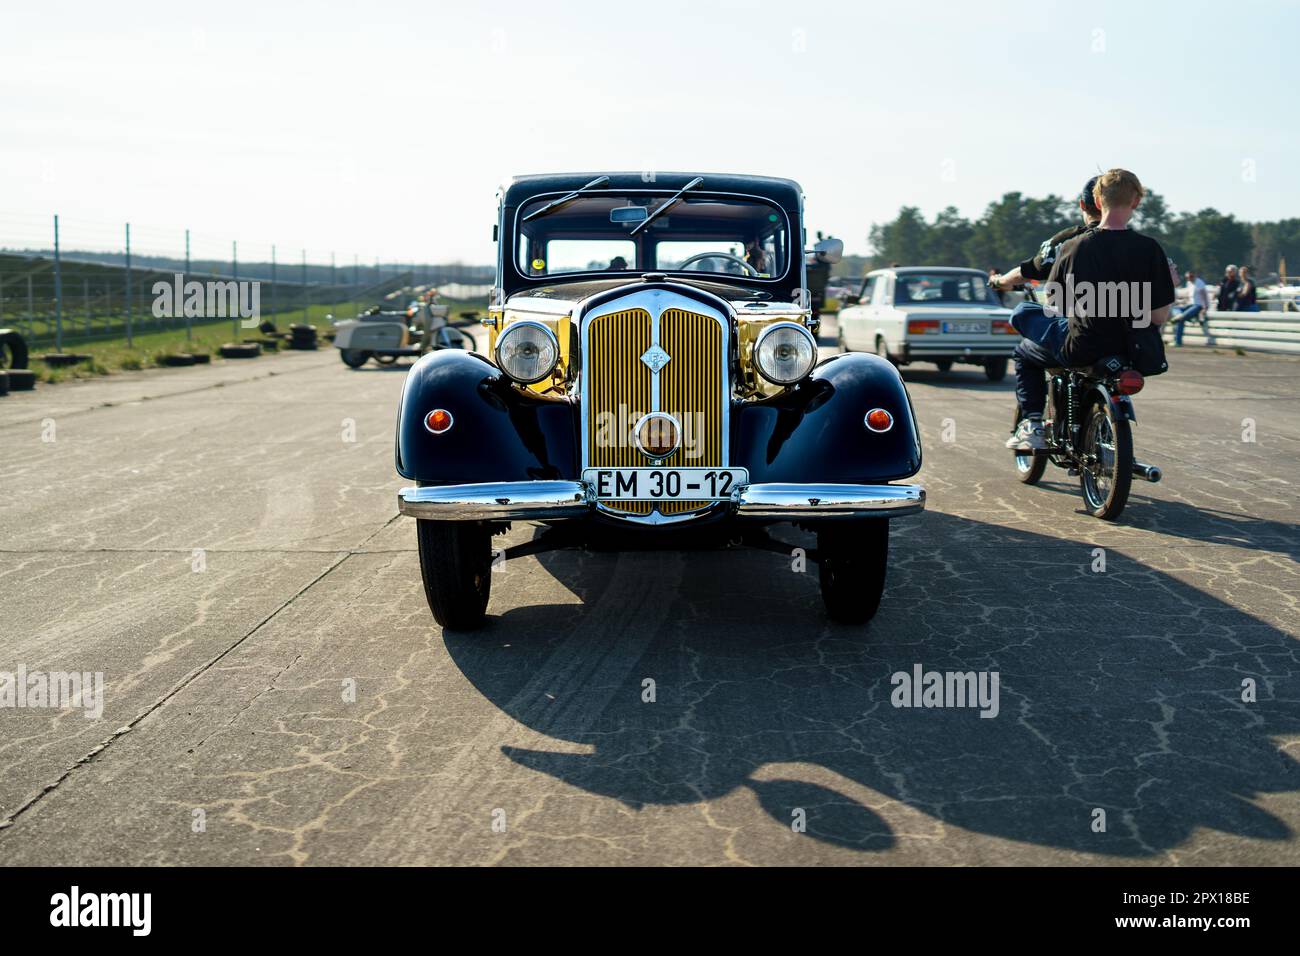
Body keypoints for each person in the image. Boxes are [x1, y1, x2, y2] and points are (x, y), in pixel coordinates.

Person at [1005, 168, 1175, 450]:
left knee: (1024, 346)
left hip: (1082, 346)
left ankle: (1032, 423)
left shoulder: (1073, 247)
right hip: (1132, 351)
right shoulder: (1151, 249)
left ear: (1097, 201)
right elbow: (1158, 317)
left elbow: (1056, 307)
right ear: (1136, 201)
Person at [990, 176, 1103, 448]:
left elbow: (1028, 271)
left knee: (1024, 353)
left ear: (1082, 205)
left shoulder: (1070, 241)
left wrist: (998, 281)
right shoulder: (1137, 245)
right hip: (1123, 339)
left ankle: (1032, 424)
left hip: (1075, 334)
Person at [1171, 270, 1209, 346]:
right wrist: (1183, 302)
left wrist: (1205, 308)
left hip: (1198, 305)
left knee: (1180, 319)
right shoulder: (1189, 283)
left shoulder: (1199, 283)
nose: (1189, 278)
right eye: (1187, 277)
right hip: (1190, 305)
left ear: (1195, 275)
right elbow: (1189, 297)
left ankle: (1177, 341)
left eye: (1191, 277)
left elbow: (1204, 296)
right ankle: (1181, 318)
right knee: (1175, 310)